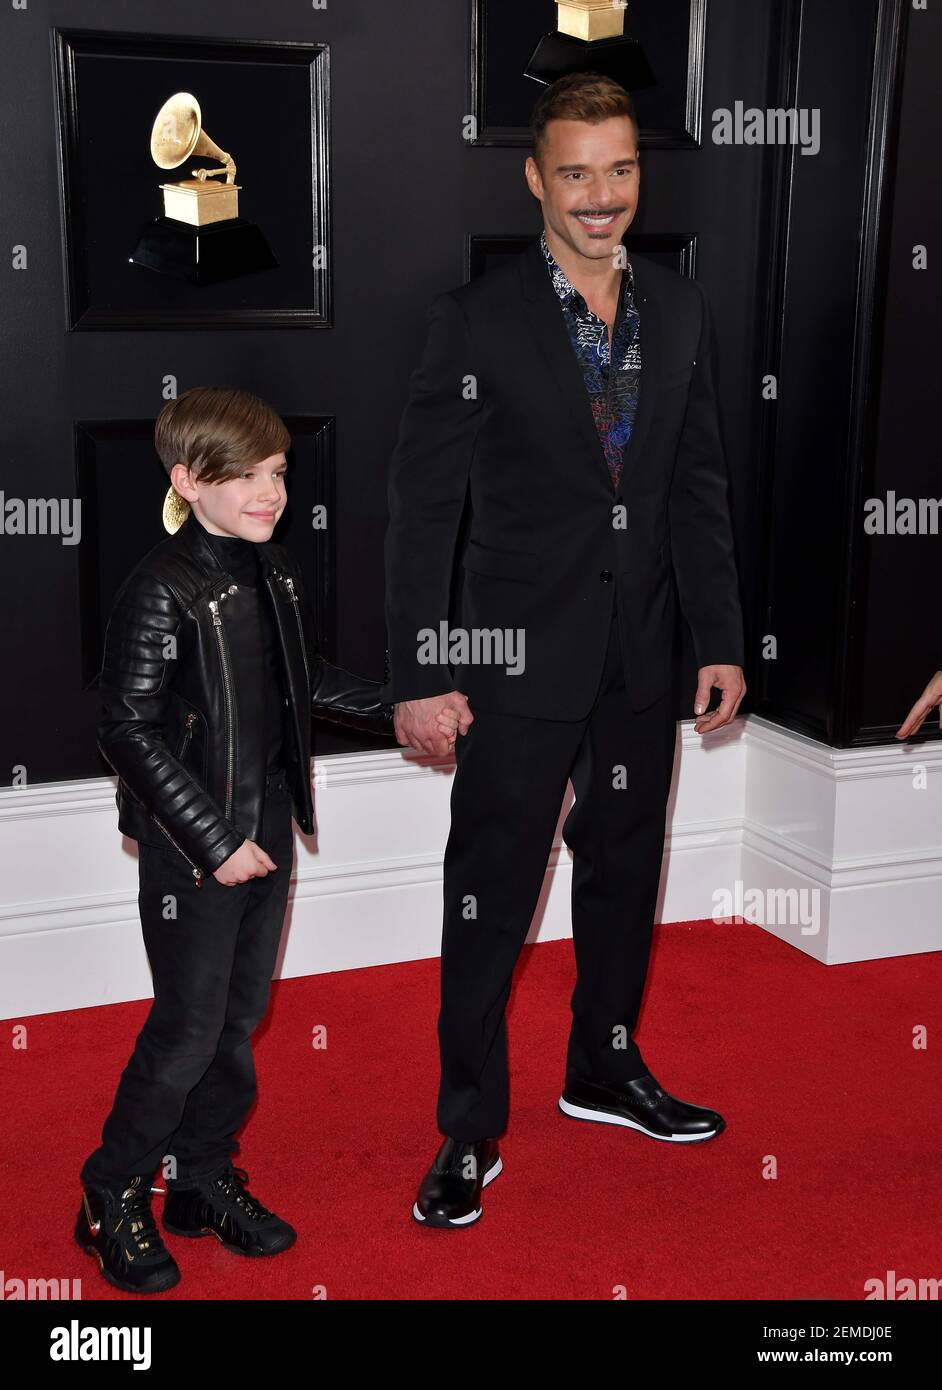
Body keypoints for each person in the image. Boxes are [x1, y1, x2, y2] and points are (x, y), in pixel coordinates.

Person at [382, 73, 747, 1228]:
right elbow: (421, 512)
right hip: (510, 661)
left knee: (626, 876)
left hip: (641, 656)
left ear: (642, 174)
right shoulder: (474, 318)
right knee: (491, 895)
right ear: (536, 178)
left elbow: (696, 482)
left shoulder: (681, 307)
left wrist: (722, 637)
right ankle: (468, 1125)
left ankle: (603, 1065)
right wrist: (421, 672)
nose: (602, 196)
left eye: (621, 170)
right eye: (577, 172)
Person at [76, 386, 396, 1293]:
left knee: (238, 1021)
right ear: (188, 480)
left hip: (266, 834)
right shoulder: (159, 588)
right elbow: (125, 730)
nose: (270, 492)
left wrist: (405, 704)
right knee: (184, 1031)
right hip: (195, 850)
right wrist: (213, 841)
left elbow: (306, 679)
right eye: (246, 475)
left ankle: (201, 1176)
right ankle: (110, 1192)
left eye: (280, 472)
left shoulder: (274, 570)